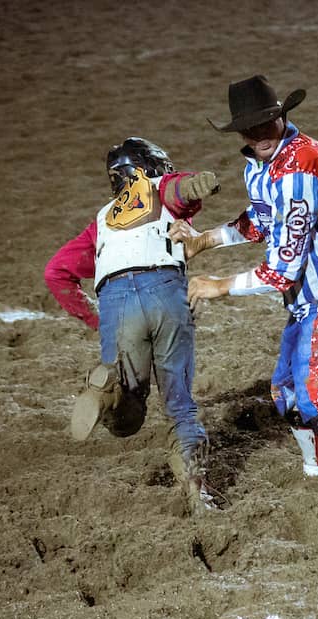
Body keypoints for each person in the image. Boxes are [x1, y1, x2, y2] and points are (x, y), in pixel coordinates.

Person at [170, 75, 318, 505]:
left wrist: (219, 286)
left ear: (281, 117)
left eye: (265, 123)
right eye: (248, 128)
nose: (258, 134)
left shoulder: (303, 166)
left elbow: (282, 269)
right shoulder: (262, 167)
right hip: (312, 300)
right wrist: (205, 240)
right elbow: (259, 220)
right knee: (288, 391)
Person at [44, 136, 222, 512]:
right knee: (180, 405)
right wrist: (195, 184)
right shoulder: (160, 187)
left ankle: (106, 391)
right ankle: (196, 489)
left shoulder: (102, 220)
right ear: (148, 168)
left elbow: (56, 271)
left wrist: (96, 319)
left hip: (115, 301)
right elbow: (176, 188)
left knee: (128, 416)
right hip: (166, 292)